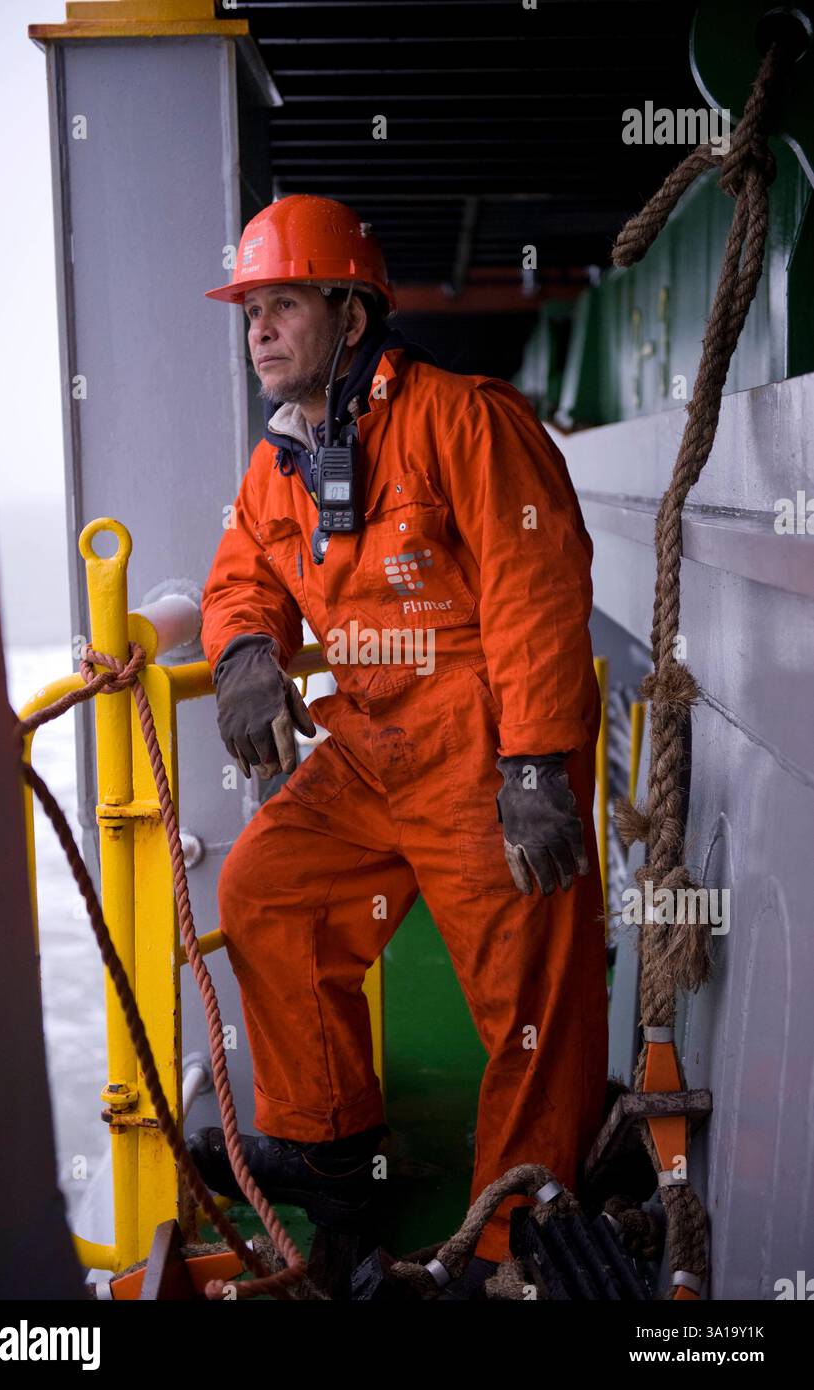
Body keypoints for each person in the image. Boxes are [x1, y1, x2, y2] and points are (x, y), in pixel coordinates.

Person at [188, 193, 608, 1299]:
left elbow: (534, 590)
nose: (259, 331)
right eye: (249, 312)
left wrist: (533, 766)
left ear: (351, 311)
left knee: (529, 997)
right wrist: (240, 654)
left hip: (485, 749)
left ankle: (519, 1231)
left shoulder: (464, 420)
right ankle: (333, 1151)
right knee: (266, 886)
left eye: (281, 305)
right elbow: (242, 577)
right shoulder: (280, 459)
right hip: (371, 749)